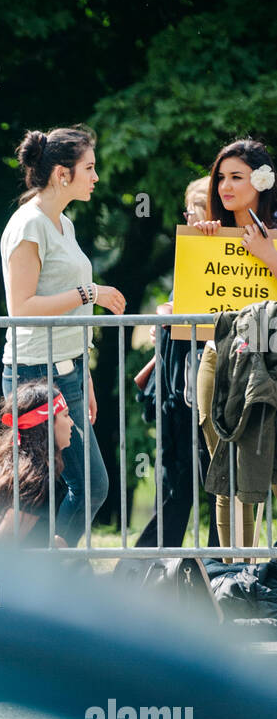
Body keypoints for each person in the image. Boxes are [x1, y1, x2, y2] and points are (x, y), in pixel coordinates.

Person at [0, 126, 125, 545]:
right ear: (60, 174)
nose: (96, 177)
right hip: (32, 372)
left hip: (65, 369)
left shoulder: (62, 224)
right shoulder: (29, 225)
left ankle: (36, 574)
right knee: (39, 489)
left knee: (68, 487)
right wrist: (90, 292)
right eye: (89, 168)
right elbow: (22, 308)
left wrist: (83, 374)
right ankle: (24, 574)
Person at [193, 139, 277, 548]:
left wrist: (269, 255)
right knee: (225, 469)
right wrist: (203, 242)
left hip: (270, 363)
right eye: (221, 177)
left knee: (268, 467)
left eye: (236, 177)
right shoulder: (211, 231)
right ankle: (233, 574)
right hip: (219, 357)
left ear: (262, 181)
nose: (225, 186)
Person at [133, 176, 218, 550]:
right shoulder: (193, 252)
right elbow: (178, 301)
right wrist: (165, 312)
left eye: (193, 210)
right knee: (179, 480)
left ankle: (221, 566)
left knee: (212, 479)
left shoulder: (227, 248)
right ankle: (151, 565)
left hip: (209, 378)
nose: (188, 219)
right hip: (180, 384)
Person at [0, 380, 73, 546]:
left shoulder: (20, 468)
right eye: (65, 415)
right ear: (47, 424)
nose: (71, 422)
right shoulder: (36, 482)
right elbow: (2, 545)